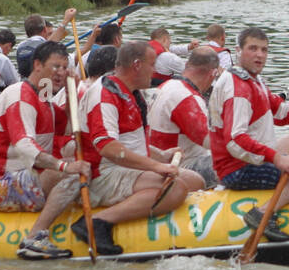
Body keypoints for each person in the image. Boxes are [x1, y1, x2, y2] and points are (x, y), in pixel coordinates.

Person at [47, 41, 204, 257]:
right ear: (137, 65)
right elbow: (108, 147)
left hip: (123, 168)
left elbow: (129, 143)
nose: (155, 70)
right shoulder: (104, 93)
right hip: (101, 175)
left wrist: (161, 155)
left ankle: (138, 206)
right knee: (176, 188)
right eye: (152, 64)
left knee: (196, 180)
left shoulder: (131, 93)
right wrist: (156, 166)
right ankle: (96, 221)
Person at [209, 27, 289, 243]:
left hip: (248, 159)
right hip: (238, 169)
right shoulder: (238, 88)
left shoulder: (254, 80)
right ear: (239, 51)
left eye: (264, 50)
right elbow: (235, 140)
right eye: (253, 49)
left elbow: (282, 114)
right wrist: (276, 158)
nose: (259, 55)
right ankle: (262, 213)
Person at [0, 41, 89, 228]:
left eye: (64, 67)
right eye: (55, 66)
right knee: (67, 170)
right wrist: (63, 166)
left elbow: (67, 129)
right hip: (3, 184)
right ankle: (35, 237)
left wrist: (72, 91)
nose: (61, 72)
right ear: (37, 65)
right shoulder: (19, 95)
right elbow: (25, 145)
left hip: (29, 176)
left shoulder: (43, 94)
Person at [148, 46, 222, 187]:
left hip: (159, 159)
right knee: (235, 162)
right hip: (180, 165)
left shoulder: (165, 85)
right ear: (213, 74)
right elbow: (212, 142)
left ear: (187, 65)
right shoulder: (187, 98)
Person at [16, 9, 77, 77]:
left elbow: (49, 42)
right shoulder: (44, 47)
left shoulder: (20, 47)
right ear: (45, 29)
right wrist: (66, 20)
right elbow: (49, 44)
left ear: (26, 33)